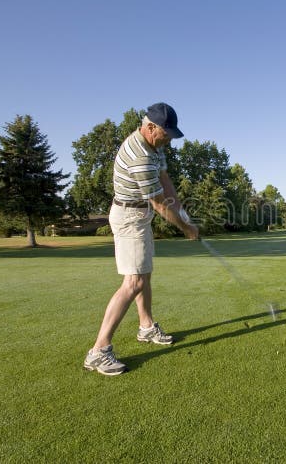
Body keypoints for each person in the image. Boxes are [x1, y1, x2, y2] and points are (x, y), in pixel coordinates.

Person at [84, 102, 199, 376]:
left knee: (144, 276)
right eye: (166, 133)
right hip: (129, 218)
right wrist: (185, 228)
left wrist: (183, 211)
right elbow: (159, 202)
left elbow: (165, 181)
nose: (169, 139)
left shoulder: (155, 148)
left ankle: (146, 327)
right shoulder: (140, 155)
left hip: (140, 216)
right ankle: (98, 351)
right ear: (150, 127)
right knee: (133, 281)